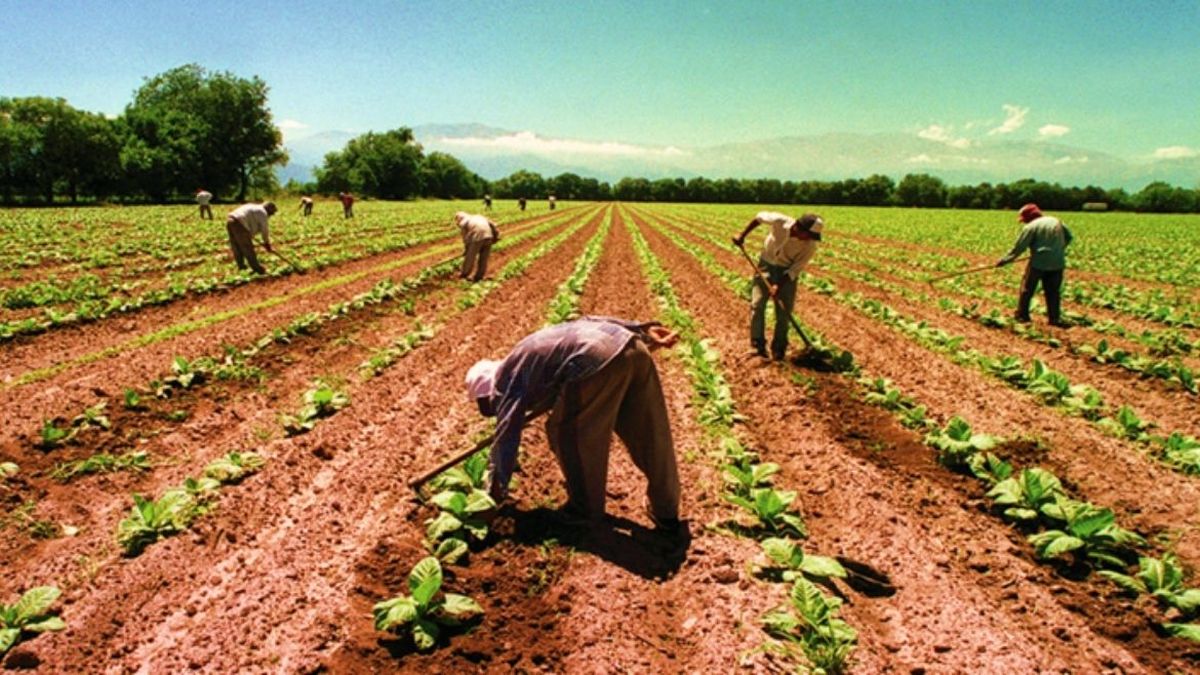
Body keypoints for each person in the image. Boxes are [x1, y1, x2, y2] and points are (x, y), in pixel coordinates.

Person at [464, 316, 682, 531]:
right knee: (650, 433)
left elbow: (506, 438)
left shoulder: (506, 379)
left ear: (488, 393)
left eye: (488, 407)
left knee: (567, 433)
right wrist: (641, 332)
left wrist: (492, 494)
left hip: (595, 360)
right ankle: (666, 509)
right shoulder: (527, 356)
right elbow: (586, 320)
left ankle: (584, 510)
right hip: (633, 347)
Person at [732, 212, 823, 359]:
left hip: (786, 274)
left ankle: (779, 349)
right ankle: (758, 346)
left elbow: (795, 270)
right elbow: (758, 218)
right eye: (809, 235)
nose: (810, 239)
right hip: (765, 265)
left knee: (784, 312)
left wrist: (778, 285)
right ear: (800, 228)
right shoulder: (780, 221)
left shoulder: (809, 246)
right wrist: (742, 236)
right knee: (757, 304)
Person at [996, 203, 1073, 327]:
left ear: (1028, 217)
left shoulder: (1031, 227)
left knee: (1027, 289)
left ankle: (1022, 316)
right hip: (1057, 262)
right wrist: (1057, 249)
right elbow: (1069, 237)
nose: (1024, 222)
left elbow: (1019, 248)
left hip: (1038, 262)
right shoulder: (1056, 221)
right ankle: (1054, 319)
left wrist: (1004, 260)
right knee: (1053, 291)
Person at [225, 201, 276, 274]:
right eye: (271, 213)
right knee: (247, 247)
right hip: (240, 223)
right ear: (269, 209)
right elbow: (264, 230)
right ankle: (257, 269)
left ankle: (241, 267)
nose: (270, 215)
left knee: (236, 246)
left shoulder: (253, 206)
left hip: (230, 221)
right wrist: (266, 243)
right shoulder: (262, 212)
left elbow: (249, 220)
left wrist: (248, 233)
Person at [454, 211, 500, 281]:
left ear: (459, 218)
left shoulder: (463, 221)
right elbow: (493, 225)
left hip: (477, 237)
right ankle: (479, 276)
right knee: (484, 258)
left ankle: (464, 274)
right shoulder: (479, 216)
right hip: (488, 236)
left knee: (470, 257)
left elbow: (465, 237)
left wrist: (467, 248)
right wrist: (496, 236)